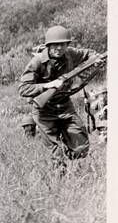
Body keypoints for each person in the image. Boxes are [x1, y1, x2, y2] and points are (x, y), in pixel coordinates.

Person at [17, 25, 103, 162]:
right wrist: (48, 85)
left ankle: (71, 160)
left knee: (81, 147)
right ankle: (61, 175)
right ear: (48, 45)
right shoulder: (37, 62)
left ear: (67, 45)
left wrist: (95, 59)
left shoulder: (70, 54)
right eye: (55, 45)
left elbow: (89, 53)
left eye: (63, 44)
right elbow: (23, 88)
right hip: (44, 110)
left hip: (65, 106)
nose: (59, 48)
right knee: (57, 155)